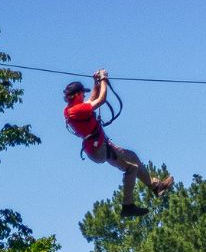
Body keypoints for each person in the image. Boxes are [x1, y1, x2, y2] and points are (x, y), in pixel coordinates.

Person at [63, 70, 171, 216]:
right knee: (131, 168)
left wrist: (97, 83)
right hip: (99, 149)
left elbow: (92, 99)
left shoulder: (72, 108)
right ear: (76, 95)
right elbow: (100, 100)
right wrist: (104, 80)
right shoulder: (76, 109)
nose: (84, 96)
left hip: (100, 144)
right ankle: (128, 206)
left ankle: (155, 187)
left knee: (132, 156)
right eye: (82, 93)